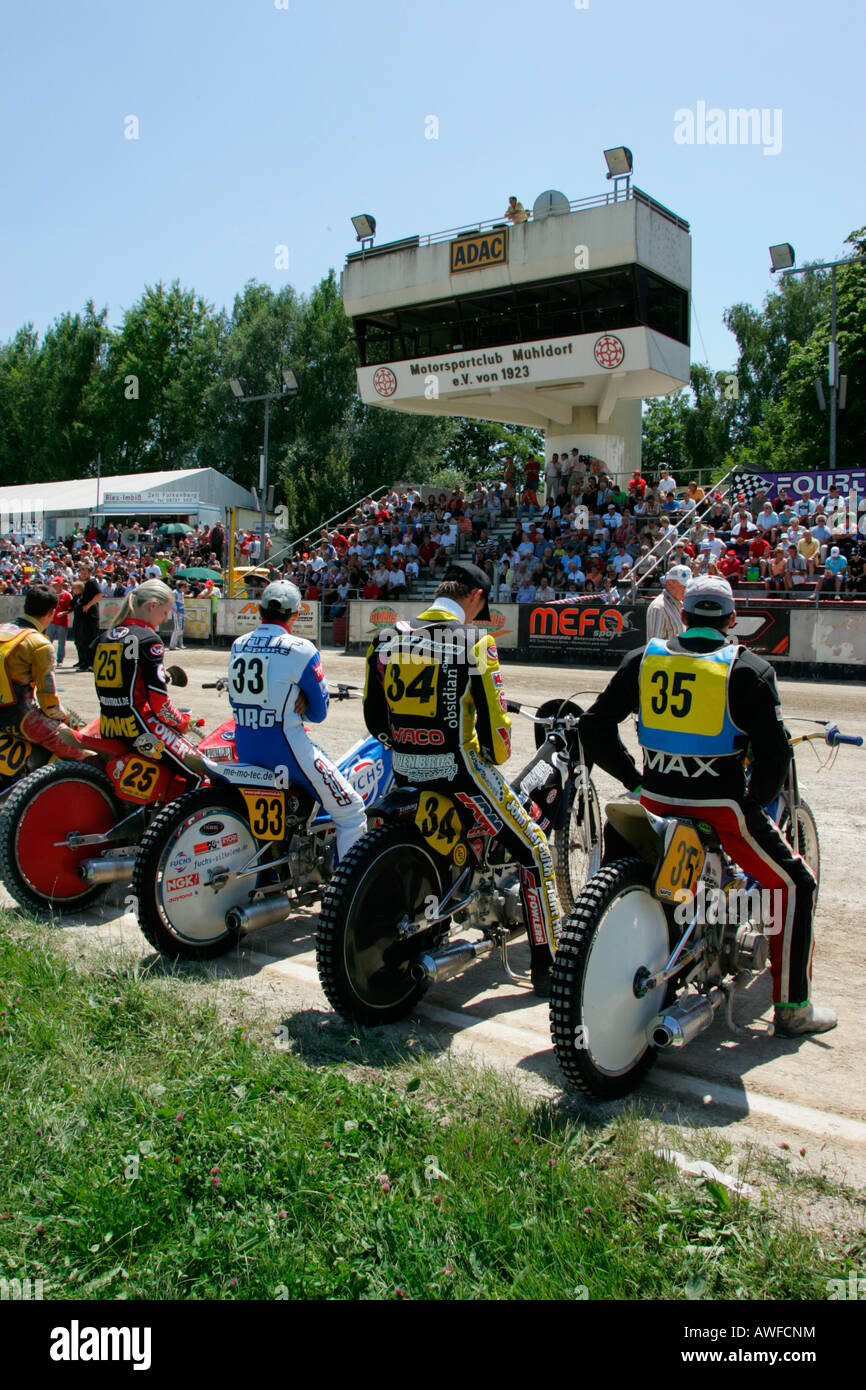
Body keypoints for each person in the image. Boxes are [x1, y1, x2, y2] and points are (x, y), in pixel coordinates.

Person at [579, 574, 833, 1037]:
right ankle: (793, 1009)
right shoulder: (749, 669)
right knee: (797, 884)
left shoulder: (643, 659)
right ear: (732, 618)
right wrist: (753, 804)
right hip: (720, 808)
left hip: (654, 803)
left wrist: (634, 780)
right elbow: (775, 756)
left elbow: (593, 727)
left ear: (686, 614)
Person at [362, 560, 561, 995]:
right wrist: (493, 754)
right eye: (482, 606)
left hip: (404, 772)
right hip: (459, 774)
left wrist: (411, 745)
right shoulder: (475, 641)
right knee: (537, 852)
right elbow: (496, 736)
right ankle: (549, 969)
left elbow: (374, 719)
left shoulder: (385, 638)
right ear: (474, 597)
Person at [228, 580, 366, 862]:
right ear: (296, 613)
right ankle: (347, 893)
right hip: (287, 750)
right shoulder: (301, 648)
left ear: (259, 609)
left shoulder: (238, 643)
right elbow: (318, 713)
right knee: (351, 811)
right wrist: (298, 698)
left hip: (245, 745)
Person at [91, 579, 198, 777]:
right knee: (199, 772)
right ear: (152, 606)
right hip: (139, 728)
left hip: (108, 725)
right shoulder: (148, 639)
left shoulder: (106, 636)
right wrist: (182, 722)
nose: (165, 619)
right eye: (165, 612)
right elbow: (160, 702)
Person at [0, 584, 89, 762]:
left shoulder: (3, 628)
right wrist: (67, 717)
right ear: (51, 612)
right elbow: (49, 703)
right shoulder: (39, 644)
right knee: (84, 753)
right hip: (17, 716)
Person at [645, 564, 691, 641]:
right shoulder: (659, 607)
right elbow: (655, 646)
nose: (686, 590)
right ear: (669, 584)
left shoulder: (681, 604)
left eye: (688, 586)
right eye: (683, 586)